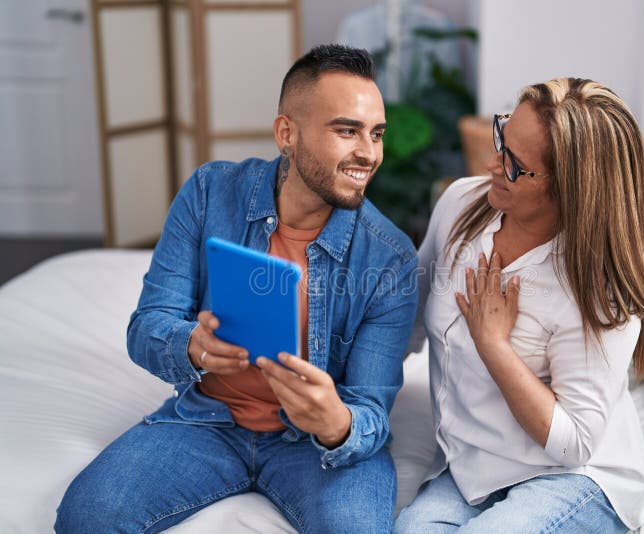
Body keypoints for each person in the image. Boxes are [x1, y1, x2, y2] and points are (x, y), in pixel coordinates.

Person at [55, 44, 418, 533]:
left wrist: (337, 424)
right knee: (86, 517)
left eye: (376, 134)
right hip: (209, 421)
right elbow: (146, 325)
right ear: (286, 133)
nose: (368, 153)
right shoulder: (210, 193)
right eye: (346, 130)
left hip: (313, 449)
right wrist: (193, 346)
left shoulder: (390, 258)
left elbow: (370, 409)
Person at [395, 78, 644, 533]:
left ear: (572, 189)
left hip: (574, 479)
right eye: (503, 138)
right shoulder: (461, 204)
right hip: (472, 471)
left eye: (516, 165)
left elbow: (575, 443)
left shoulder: (599, 290)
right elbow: (406, 322)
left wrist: (493, 344)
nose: (491, 164)